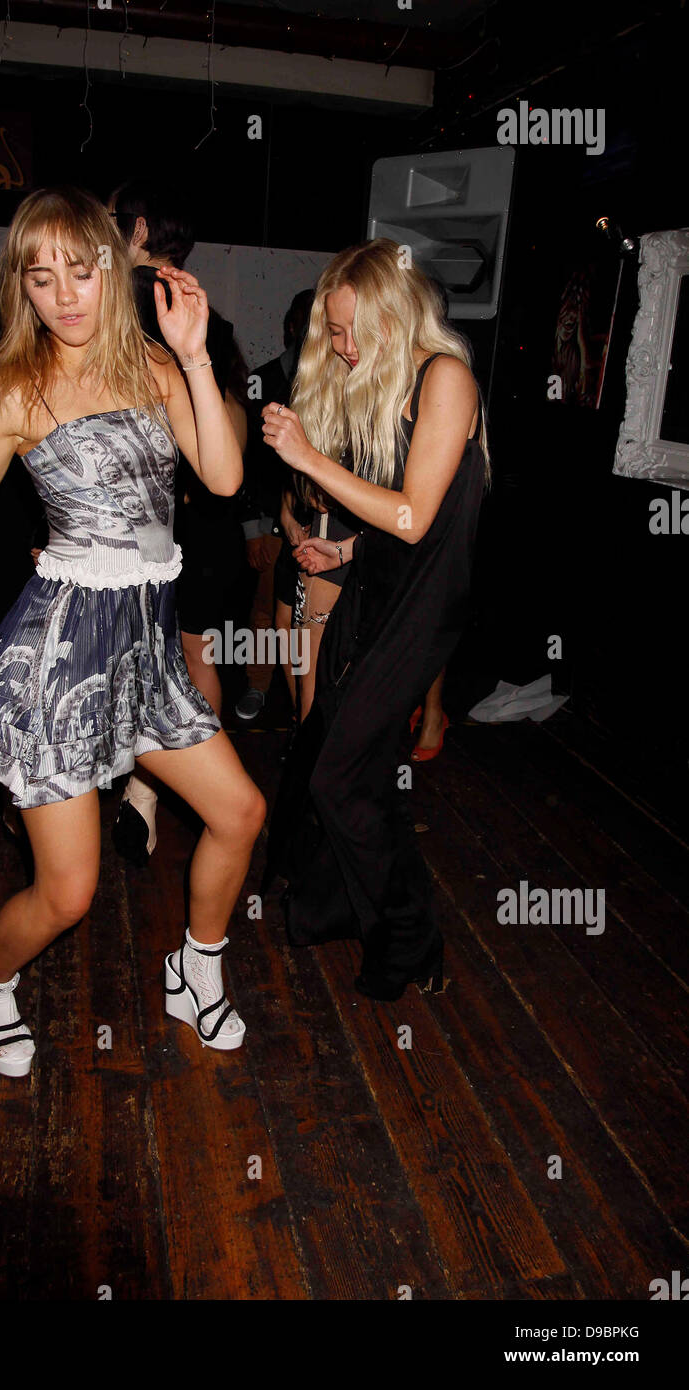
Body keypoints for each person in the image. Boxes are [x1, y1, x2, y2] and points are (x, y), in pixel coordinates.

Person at [0, 186, 265, 1074]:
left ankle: (196, 969)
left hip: (148, 656)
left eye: (81, 271)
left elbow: (226, 483)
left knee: (240, 812)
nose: (66, 294)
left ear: (112, 272)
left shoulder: (156, 367)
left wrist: (195, 357)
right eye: (42, 278)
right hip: (62, 657)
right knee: (70, 894)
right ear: (21, 288)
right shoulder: (12, 389)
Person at [261, 239, 488, 1000]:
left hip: (420, 612)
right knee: (341, 760)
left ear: (398, 315)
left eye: (357, 329)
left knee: (341, 778)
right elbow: (392, 521)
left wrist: (310, 458)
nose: (345, 346)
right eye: (334, 331)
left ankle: (409, 937)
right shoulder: (389, 383)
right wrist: (346, 551)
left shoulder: (445, 376)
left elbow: (421, 519)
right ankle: (339, 910)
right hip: (375, 590)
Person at [108, 179, 248, 863]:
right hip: (204, 513)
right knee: (193, 652)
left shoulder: (108, 306)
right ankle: (159, 788)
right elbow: (229, 422)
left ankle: (137, 785)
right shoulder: (203, 310)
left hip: (142, 518)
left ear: (134, 231)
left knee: (131, 654)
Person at [235, 289, 313, 723]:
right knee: (266, 612)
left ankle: (311, 704)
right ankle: (258, 685)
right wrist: (254, 528)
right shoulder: (263, 381)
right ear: (290, 328)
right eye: (306, 323)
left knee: (311, 616)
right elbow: (245, 462)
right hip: (270, 521)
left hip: (322, 522)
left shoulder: (337, 381)